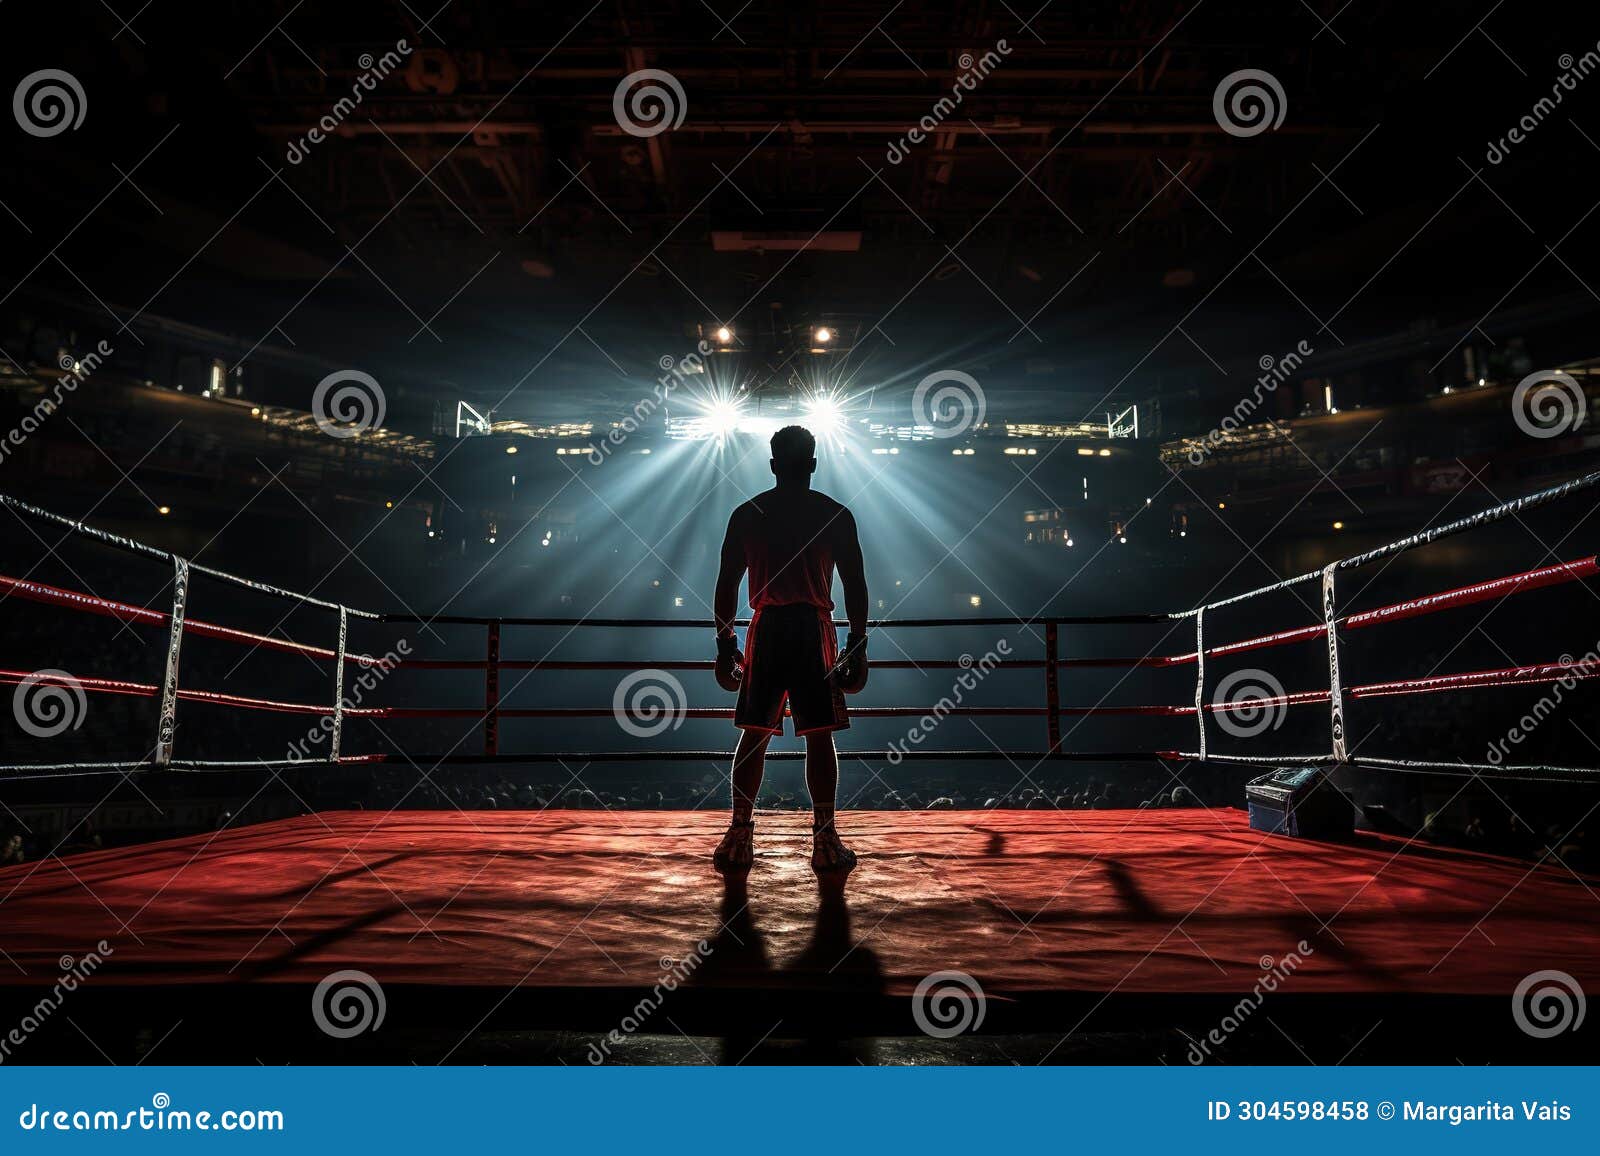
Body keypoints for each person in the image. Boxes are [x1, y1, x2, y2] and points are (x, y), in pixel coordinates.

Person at [711, 425, 869, 874]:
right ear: (813, 465)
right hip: (812, 628)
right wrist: (858, 644)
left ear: (774, 465)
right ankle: (824, 842)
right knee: (819, 735)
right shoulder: (834, 514)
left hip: (767, 627)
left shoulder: (747, 514)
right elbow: (855, 584)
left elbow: (727, 584)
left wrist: (725, 643)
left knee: (754, 732)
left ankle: (740, 837)